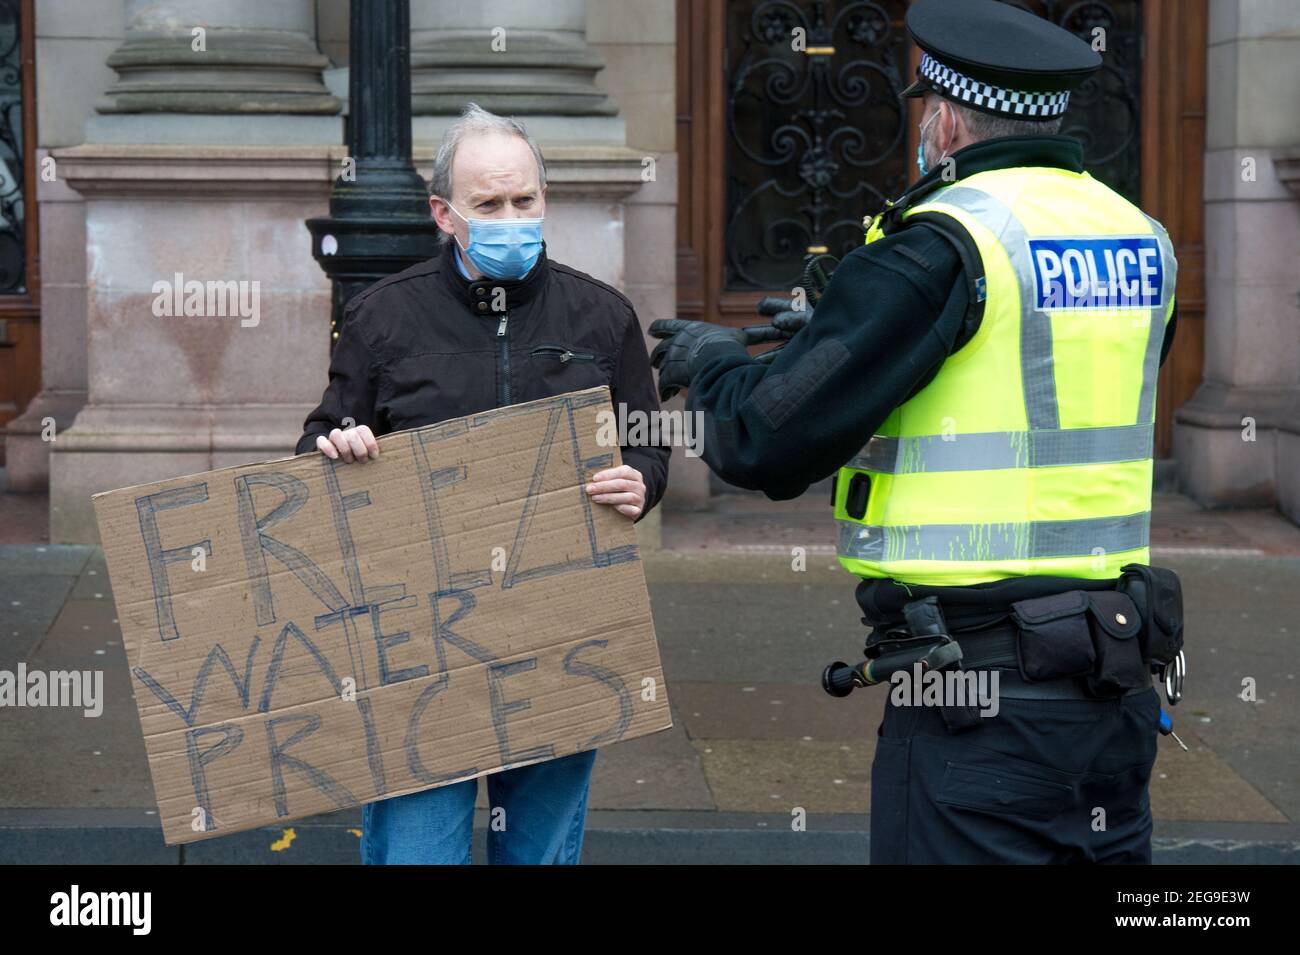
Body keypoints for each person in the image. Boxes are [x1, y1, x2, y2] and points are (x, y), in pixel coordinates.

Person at [649, 0, 1181, 864]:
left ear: (948, 116)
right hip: (1111, 687)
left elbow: (763, 441)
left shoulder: (947, 240)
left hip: (980, 706)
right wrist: (846, 340)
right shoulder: (1139, 236)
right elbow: (1028, 369)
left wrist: (715, 365)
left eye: (927, 113)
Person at [295, 102, 670, 864]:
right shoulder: (382, 318)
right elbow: (317, 442)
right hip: (419, 645)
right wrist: (337, 447)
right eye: (488, 205)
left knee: (538, 853)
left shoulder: (602, 316)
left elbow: (648, 440)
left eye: (524, 200)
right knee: (417, 853)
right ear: (443, 213)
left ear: (545, 198)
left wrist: (643, 481)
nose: (511, 218)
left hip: (558, 628)